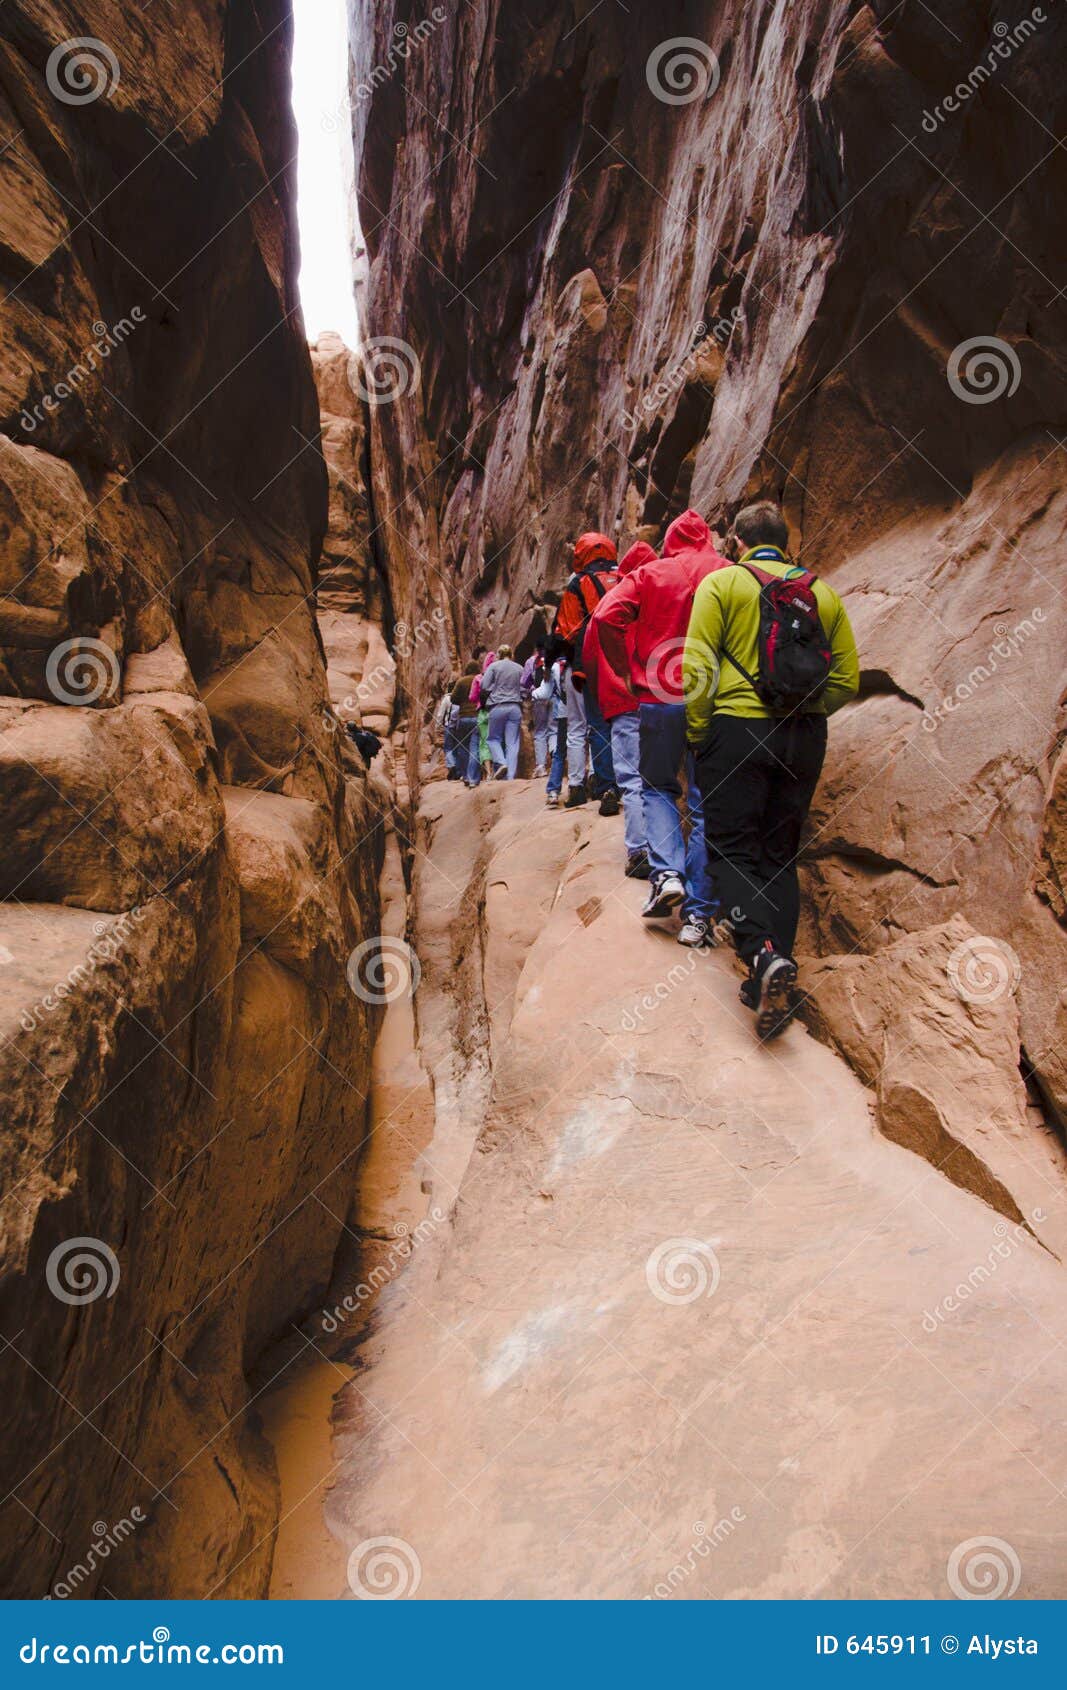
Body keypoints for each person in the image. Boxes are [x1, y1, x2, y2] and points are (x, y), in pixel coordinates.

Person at [683, 500, 859, 1037]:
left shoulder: (722, 585)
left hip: (736, 731)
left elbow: (696, 667)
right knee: (780, 854)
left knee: (732, 850)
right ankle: (779, 962)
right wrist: (804, 714)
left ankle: (760, 955)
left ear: (736, 541)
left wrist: (697, 734)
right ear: (786, 540)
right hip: (803, 737)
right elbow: (847, 679)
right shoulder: (822, 593)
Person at [596, 509, 727, 946]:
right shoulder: (728, 571)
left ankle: (667, 873)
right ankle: (699, 914)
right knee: (706, 802)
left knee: (656, 787)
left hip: (658, 694)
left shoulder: (652, 573)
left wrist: (626, 670)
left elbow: (604, 618)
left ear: (670, 541)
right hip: (713, 695)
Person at [584, 539, 658, 878]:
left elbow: (590, 656)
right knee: (662, 778)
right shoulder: (665, 593)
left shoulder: (612, 601)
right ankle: (667, 850)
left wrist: (604, 697)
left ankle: (639, 849)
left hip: (622, 700)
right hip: (661, 698)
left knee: (630, 778)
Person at [550, 532, 618, 810]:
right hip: (618, 663)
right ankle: (612, 784)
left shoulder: (578, 584)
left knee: (579, 727)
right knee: (615, 725)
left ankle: (578, 786)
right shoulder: (624, 578)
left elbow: (567, 630)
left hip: (583, 665)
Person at [480, 645, 525, 778]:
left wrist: (496, 687)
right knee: (512, 743)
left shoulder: (493, 667)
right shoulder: (519, 668)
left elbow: (484, 685)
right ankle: (510, 777)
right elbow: (524, 688)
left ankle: (501, 762)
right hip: (515, 707)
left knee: (493, 739)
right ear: (511, 654)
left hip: (497, 706)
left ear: (498, 654)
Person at [533, 654, 569, 807]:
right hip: (583, 712)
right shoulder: (582, 659)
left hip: (563, 712)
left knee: (561, 751)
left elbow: (544, 693)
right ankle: (585, 783)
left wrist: (532, 693)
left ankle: (553, 791)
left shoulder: (555, 666)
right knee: (587, 745)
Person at [450, 659, 484, 786]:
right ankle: (473, 778)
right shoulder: (481, 680)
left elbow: (453, 699)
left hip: (463, 718)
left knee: (462, 748)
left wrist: (463, 702)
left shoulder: (461, 681)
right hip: (477, 717)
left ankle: (465, 776)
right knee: (475, 748)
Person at [521, 640, 550, 776]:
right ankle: (557, 761)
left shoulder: (531, 661)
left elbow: (524, 682)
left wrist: (530, 692)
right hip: (555, 698)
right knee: (555, 731)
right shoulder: (553, 658)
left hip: (539, 699)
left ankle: (541, 766)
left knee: (540, 731)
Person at [470, 651, 495, 783]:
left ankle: (488, 773)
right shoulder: (498, 678)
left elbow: (472, 697)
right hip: (496, 711)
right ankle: (499, 770)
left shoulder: (478, 678)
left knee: (484, 743)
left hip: (483, 712)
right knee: (497, 741)